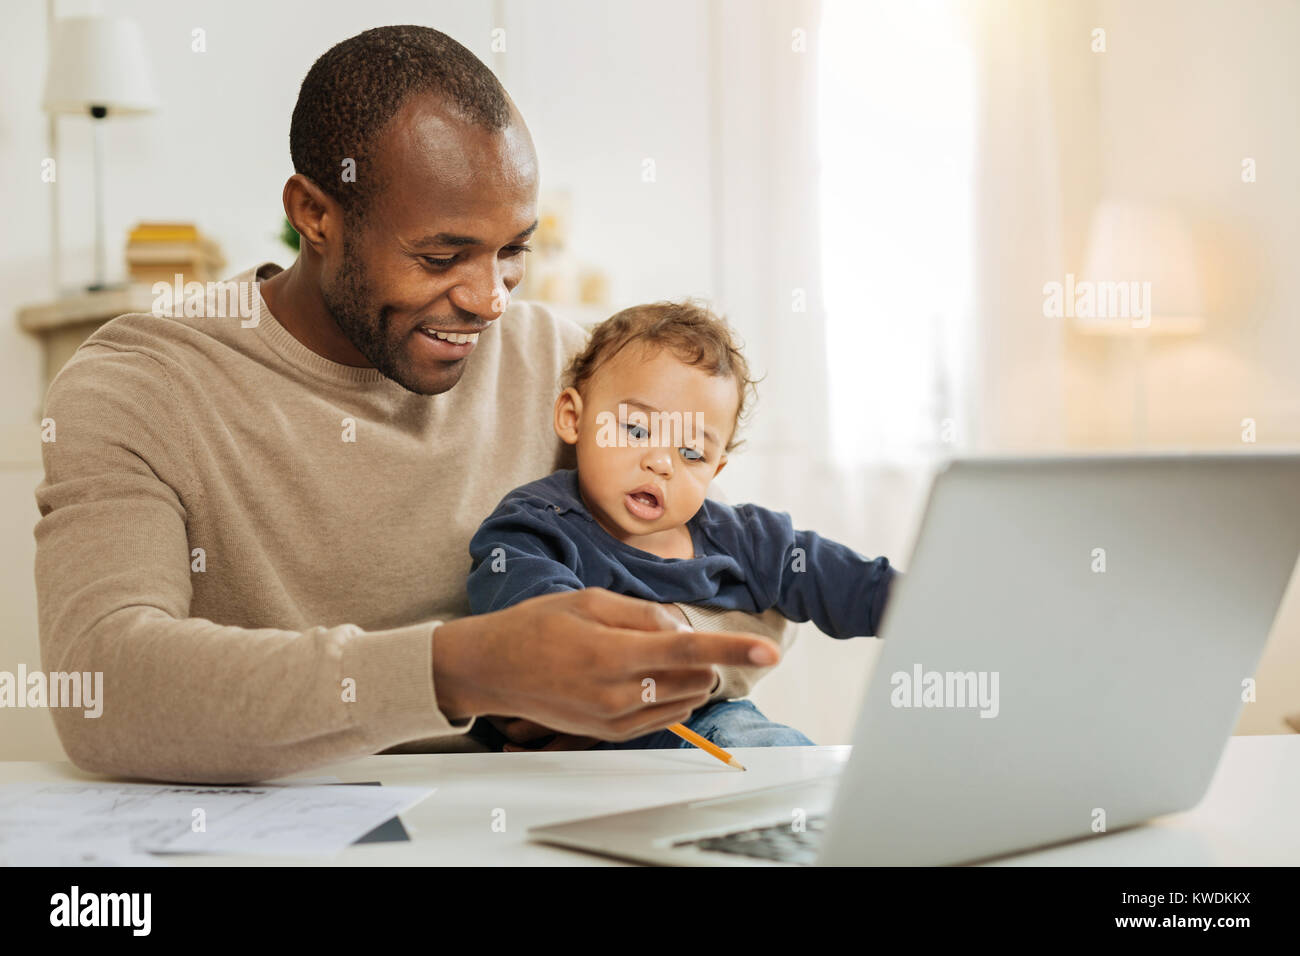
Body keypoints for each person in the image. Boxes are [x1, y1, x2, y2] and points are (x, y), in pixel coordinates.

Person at [33, 25, 791, 784]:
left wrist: (634, 660)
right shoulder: (141, 385)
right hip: (282, 826)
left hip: (537, 812)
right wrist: (465, 671)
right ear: (316, 215)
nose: (488, 299)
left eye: (513, 251)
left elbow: (747, 577)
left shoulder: (565, 367)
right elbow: (104, 684)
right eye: (441, 257)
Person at [467, 302, 896, 751]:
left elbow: (847, 582)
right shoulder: (535, 524)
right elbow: (535, 621)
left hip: (701, 725)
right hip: (577, 745)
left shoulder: (742, 536)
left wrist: (925, 605)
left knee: (775, 751)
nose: (660, 462)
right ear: (573, 418)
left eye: (691, 454)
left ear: (716, 470)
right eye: (635, 431)